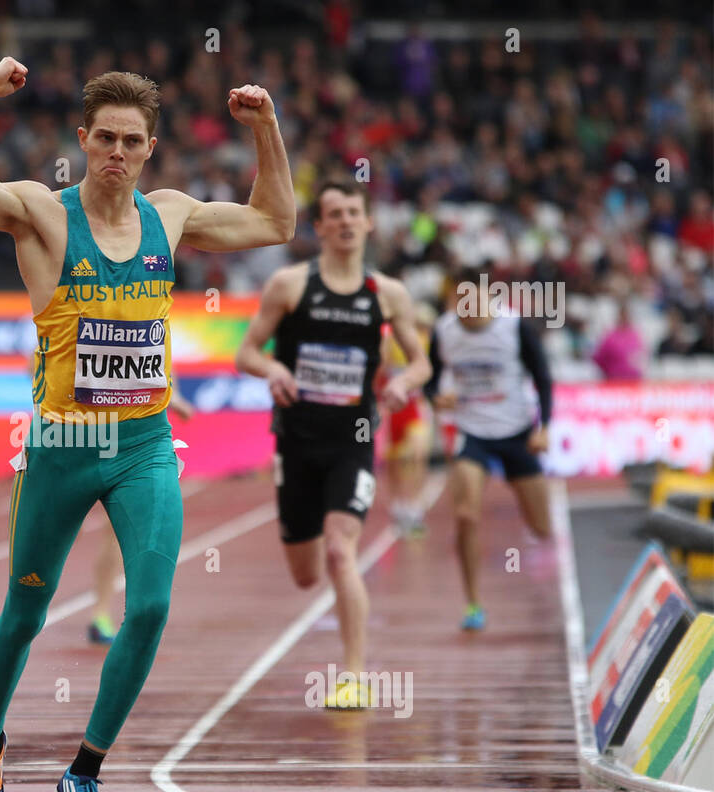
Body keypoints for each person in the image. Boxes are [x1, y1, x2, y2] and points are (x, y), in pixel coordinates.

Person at [0, 58, 295, 792]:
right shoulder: (41, 215)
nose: (117, 152)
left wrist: (267, 128)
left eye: (132, 141)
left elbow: (276, 223)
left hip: (144, 444)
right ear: (82, 140)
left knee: (149, 607)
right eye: (105, 138)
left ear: (150, 149)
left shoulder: (171, 215)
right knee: (27, 610)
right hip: (60, 444)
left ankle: (84, 771)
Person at [236, 180, 430, 709]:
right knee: (305, 575)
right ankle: (317, 562)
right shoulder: (290, 285)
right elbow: (246, 353)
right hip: (296, 444)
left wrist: (400, 383)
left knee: (342, 553)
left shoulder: (387, 294)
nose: (345, 222)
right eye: (334, 214)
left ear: (368, 224)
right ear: (318, 227)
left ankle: (353, 676)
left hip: (354, 441)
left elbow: (421, 361)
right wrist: (273, 366)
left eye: (354, 213)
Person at [424, 272, 554, 631]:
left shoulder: (514, 327)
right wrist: (436, 397)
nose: (466, 308)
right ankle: (472, 604)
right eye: (458, 301)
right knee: (465, 515)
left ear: (487, 298)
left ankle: (532, 548)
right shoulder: (444, 331)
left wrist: (545, 428)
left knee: (542, 528)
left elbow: (542, 376)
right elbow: (429, 377)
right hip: (472, 432)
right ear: (451, 302)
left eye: (473, 299)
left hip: (517, 433)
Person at [87, 386, 194, 645]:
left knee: (112, 531)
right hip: (72, 432)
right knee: (64, 530)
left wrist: (174, 397)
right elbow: (34, 364)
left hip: (124, 438)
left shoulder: (155, 345)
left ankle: (101, 613)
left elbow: (164, 375)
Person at [379, 302, 436, 536]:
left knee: (417, 456)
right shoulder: (388, 340)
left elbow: (432, 371)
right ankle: (398, 504)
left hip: (415, 407)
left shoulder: (425, 343)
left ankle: (414, 505)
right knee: (394, 462)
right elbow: (381, 371)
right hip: (393, 409)